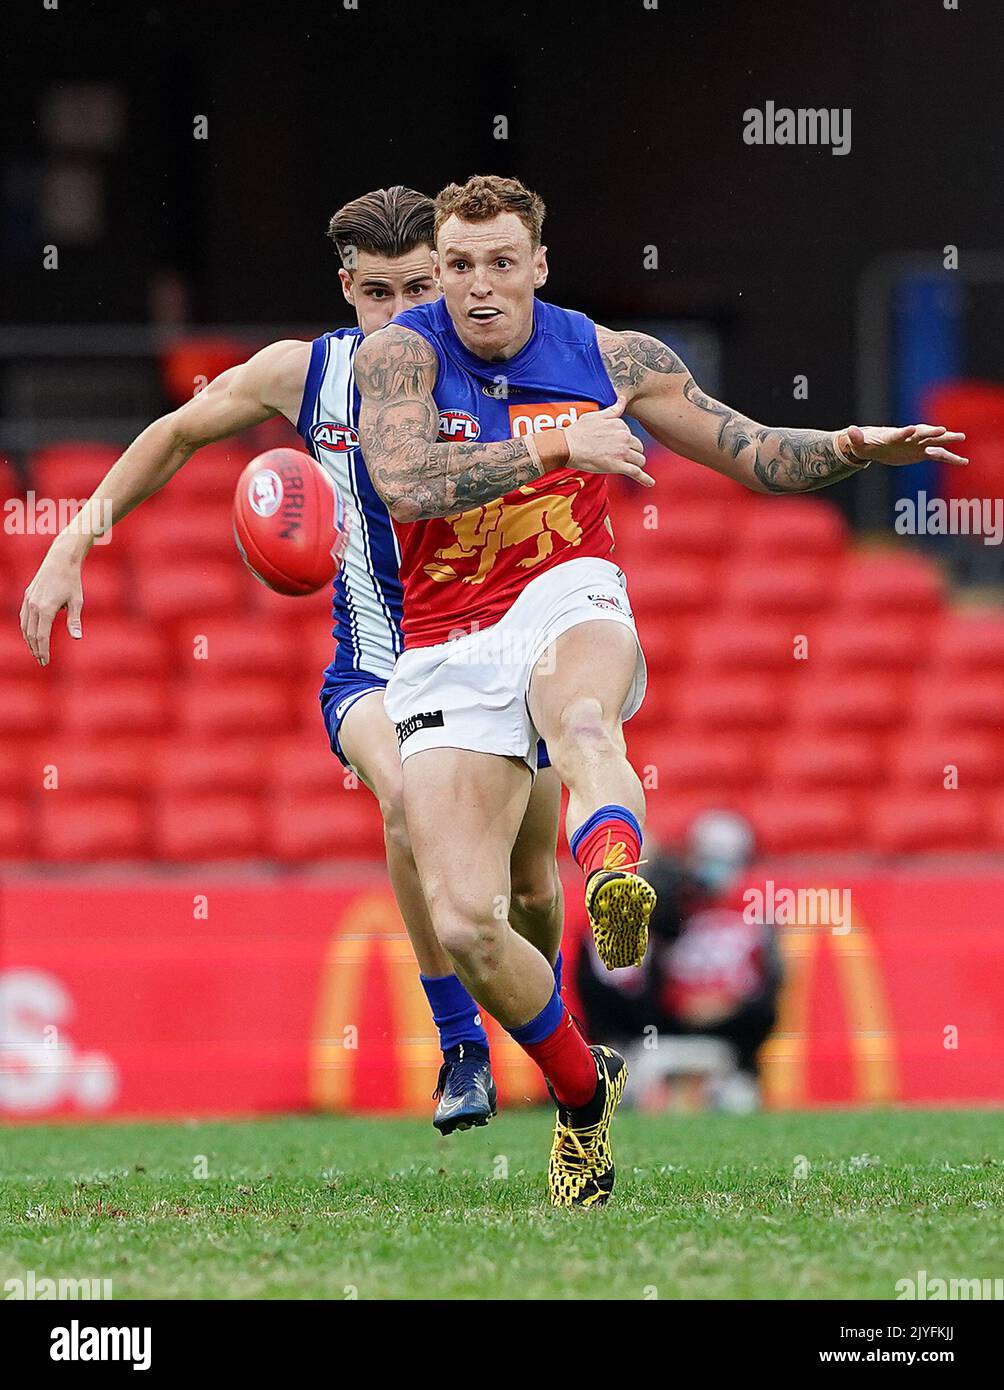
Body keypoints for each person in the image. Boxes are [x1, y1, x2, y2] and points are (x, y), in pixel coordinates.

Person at [352, 172, 966, 1206]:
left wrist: (851, 449)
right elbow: (402, 484)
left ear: (539, 266)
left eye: (502, 262)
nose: (478, 286)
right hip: (446, 638)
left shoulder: (606, 355)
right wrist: (556, 441)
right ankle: (584, 1100)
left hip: (565, 590)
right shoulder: (400, 354)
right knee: (463, 922)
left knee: (586, 718)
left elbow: (756, 452)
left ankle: (612, 880)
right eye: (458, 265)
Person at [18, 186, 611, 1135]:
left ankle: (554, 1042)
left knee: (533, 885)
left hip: (495, 653)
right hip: (375, 670)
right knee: (409, 805)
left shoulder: (496, 364)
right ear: (347, 288)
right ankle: (460, 1043)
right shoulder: (305, 375)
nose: (397, 311)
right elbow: (175, 433)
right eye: (377, 292)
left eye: (418, 286)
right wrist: (69, 544)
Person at [576, 811, 782, 1111]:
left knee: (734, 1096)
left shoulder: (750, 920)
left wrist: (732, 1009)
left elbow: (768, 999)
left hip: (727, 1044)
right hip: (648, 1045)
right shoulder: (661, 918)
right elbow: (609, 1001)